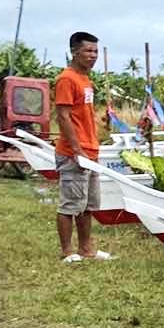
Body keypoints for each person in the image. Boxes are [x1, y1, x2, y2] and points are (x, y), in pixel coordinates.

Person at [53, 31, 111, 262]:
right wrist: (77, 150)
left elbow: (83, 115)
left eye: (95, 51)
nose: (93, 55)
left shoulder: (86, 80)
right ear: (74, 52)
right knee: (70, 204)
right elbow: (63, 117)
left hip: (90, 151)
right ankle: (68, 251)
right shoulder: (67, 79)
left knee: (88, 204)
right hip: (73, 153)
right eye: (88, 51)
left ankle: (87, 249)